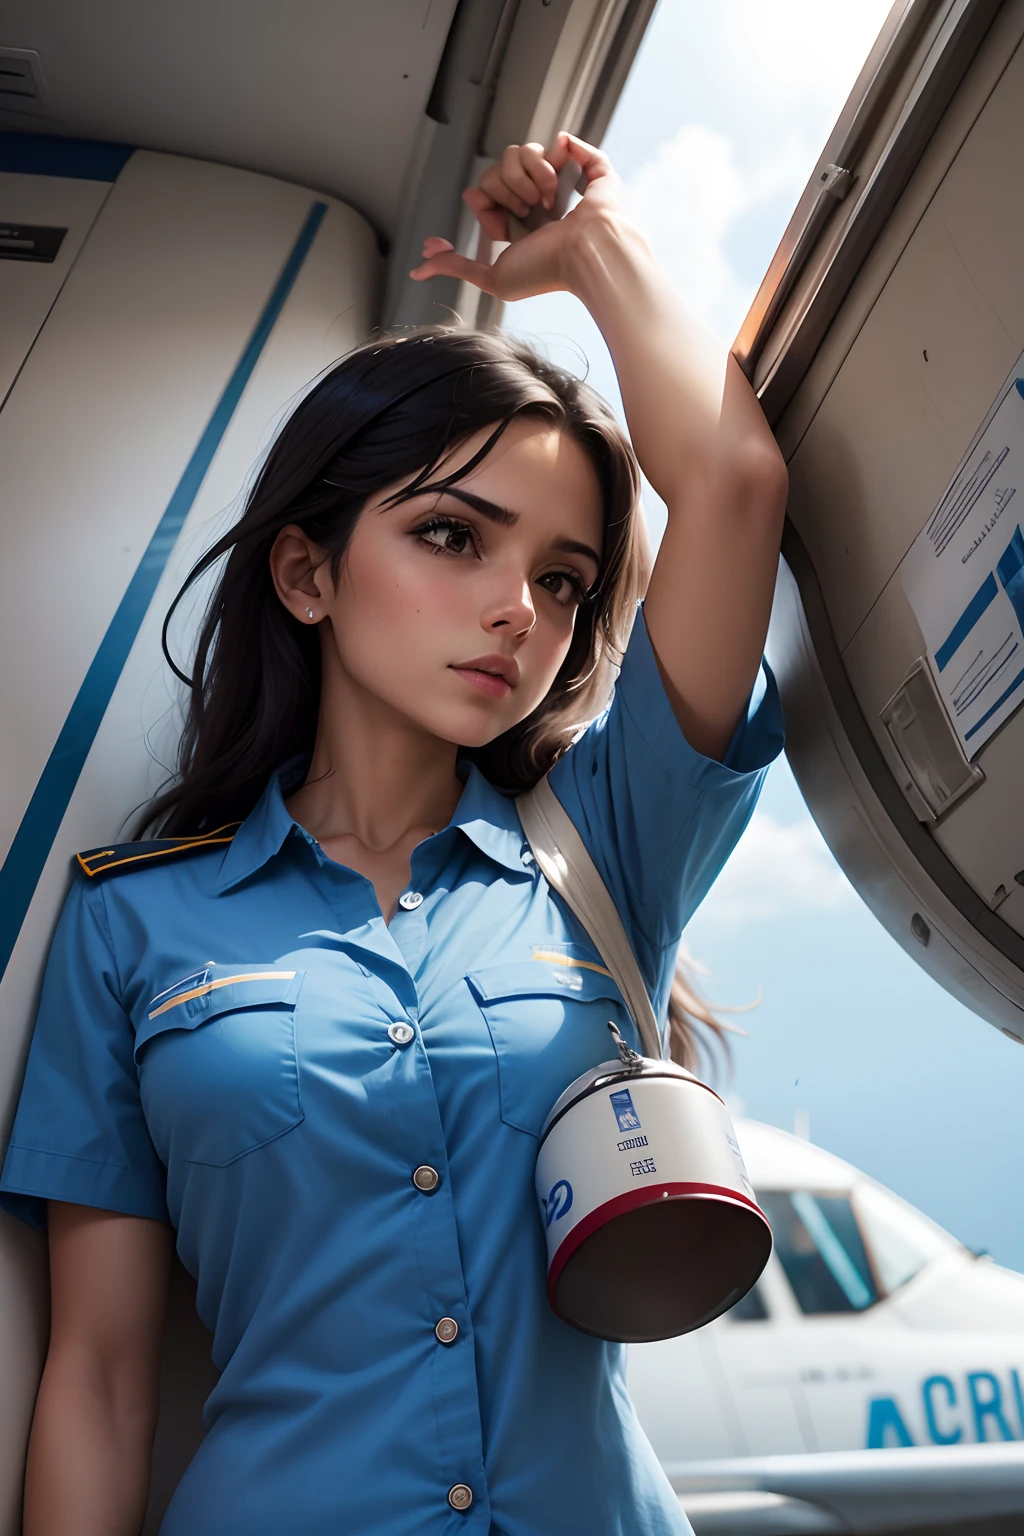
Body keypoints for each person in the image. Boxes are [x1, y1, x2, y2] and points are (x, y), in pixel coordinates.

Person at [0, 133, 787, 1535]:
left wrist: (591, 250)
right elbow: (101, 1380)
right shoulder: (128, 925)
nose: (518, 613)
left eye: (563, 577)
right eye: (451, 537)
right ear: (306, 571)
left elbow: (732, 487)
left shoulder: (616, 844)